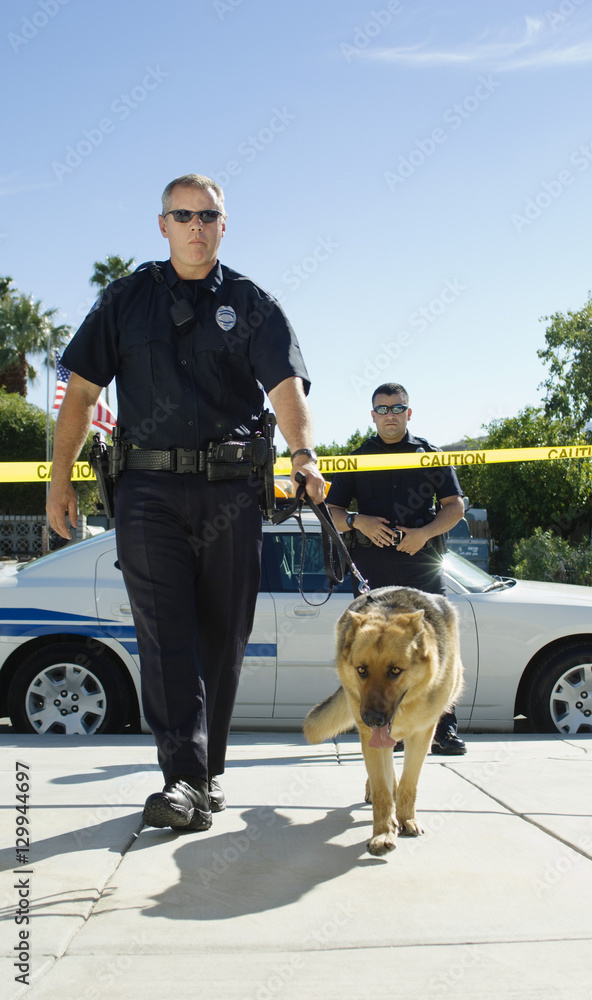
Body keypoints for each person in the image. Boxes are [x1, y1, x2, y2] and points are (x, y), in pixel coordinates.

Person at [46, 173, 326, 831]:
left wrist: (304, 455)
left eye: (208, 215)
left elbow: (285, 388)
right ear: (163, 224)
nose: (196, 225)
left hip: (232, 491)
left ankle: (209, 771)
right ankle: (183, 781)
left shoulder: (252, 303)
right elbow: (82, 393)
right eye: (183, 215)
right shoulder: (126, 300)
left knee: (222, 635)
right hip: (147, 491)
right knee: (165, 634)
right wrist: (60, 480)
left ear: (224, 225)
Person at [326, 382, 467, 754]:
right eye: (383, 409)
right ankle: (383, 732)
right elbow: (333, 514)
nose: (390, 415)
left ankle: (443, 729)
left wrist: (424, 533)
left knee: (438, 646)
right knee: (375, 655)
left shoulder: (430, 455)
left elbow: (455, 507)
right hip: (372, 568)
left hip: (422, 562)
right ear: (372, 415)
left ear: (409, 412)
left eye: (397, 407)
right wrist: (360, 521)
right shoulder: (355, 458)